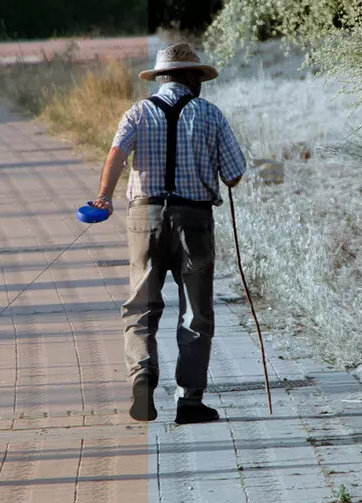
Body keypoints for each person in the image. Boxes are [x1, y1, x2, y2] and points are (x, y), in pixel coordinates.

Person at [89, 43, 247, 425]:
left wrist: (104, 199)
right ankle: (190, 401)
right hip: (194, 220)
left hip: (145, 218)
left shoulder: (137, 112)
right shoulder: (210, 114)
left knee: (141, 306)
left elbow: (115, 157)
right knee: (195, 311)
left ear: (160, 78)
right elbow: (234, 174)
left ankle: (143, 377)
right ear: (192, 78)